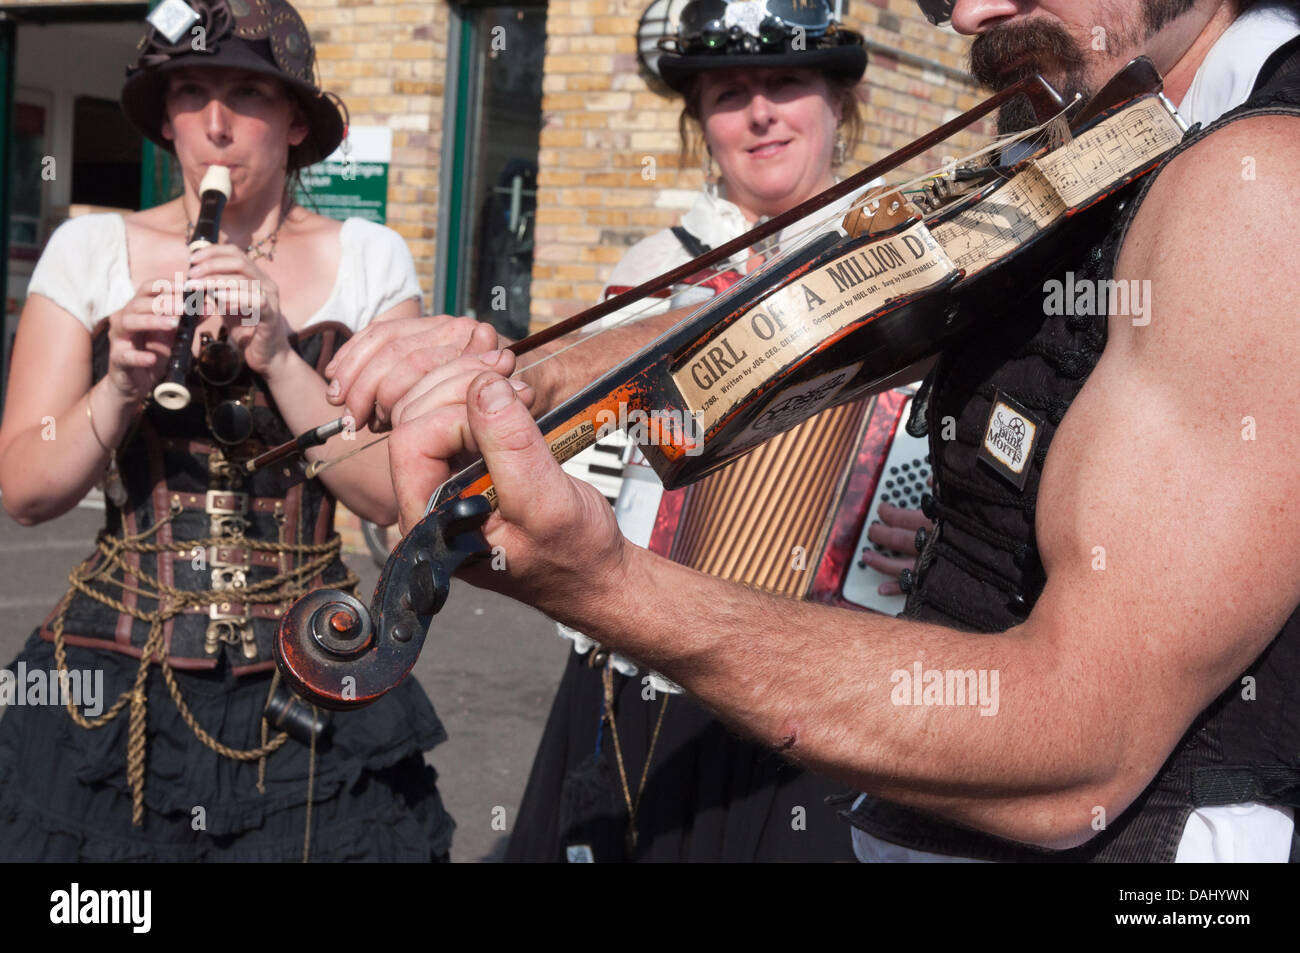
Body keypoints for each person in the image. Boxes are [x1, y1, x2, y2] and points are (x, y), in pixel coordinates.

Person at [373, 0, 1300, 863]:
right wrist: (545, 378)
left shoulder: (1256, 190)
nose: (969, 16)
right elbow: (853, 299)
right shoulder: (1112, 132)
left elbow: (1082, 742)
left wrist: (608, 586)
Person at [0, 0, 454, 861]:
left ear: (293, 119)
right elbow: (25, 491)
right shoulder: (89, 249)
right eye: (190, 92)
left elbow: (390, 494)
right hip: (118, 671)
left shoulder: (370, 257)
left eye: (247, 92)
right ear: (165, 118)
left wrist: (282, 356)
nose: (215, 124)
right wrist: (120, 386)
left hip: (313, 668)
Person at [502, 1, 875, 862]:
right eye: (729, 93)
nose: (760, 112)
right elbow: (586, 466)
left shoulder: (900, 252)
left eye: (786, 82)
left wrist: (927, 525)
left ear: (837, 104)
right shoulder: (654, 270)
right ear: (701, 122)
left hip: (832, 663)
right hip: (655, 661)